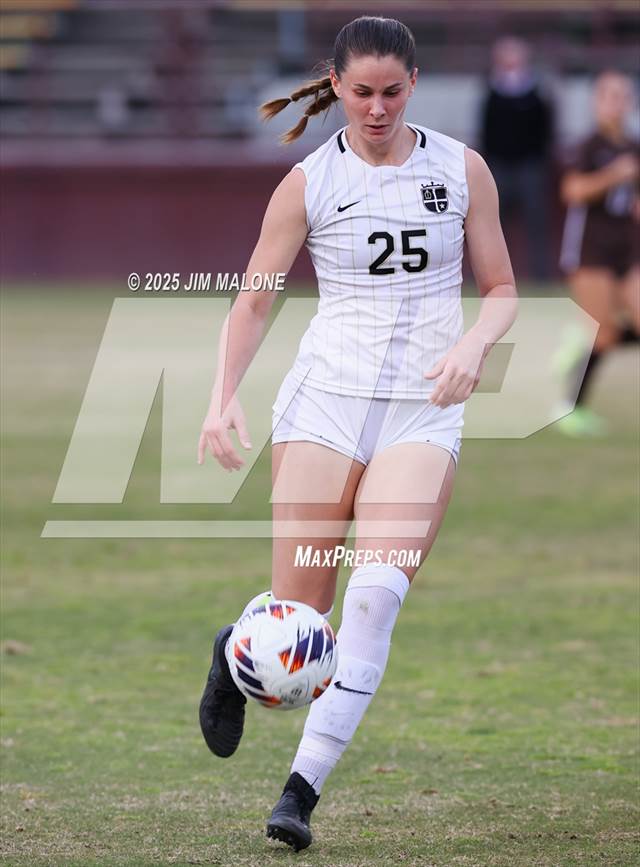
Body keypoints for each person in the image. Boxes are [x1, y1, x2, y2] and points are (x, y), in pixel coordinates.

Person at [196, 16, 517, 852]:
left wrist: (475, 346)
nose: (377, 109)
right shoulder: (309, 182)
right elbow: (255, 299)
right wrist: (221, 397)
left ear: (414, 86)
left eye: (393, 92)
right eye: (362, 92)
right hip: (325, 405)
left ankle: (298, 793)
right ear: (335, 85)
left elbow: (502, 288)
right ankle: (236, 645)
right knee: (301, 616)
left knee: (372, 600)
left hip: (421, 411)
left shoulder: (461, 169)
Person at [557, 70, 639, 436]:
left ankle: (580, 341)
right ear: (596, 102)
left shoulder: (633, 146)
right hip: (590, 251)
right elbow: (573, 191)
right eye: (609, 96)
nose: (616, 103)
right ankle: (569, 408)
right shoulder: (588, 146)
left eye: (623, 96)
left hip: (628, 249)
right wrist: (613, 176)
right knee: (603, 335)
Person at [480, 36, 553, 281]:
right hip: (499, 167)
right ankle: (493, 276)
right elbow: (486, 130)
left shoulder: (536, 91)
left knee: (536, 224)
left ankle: (541, 277)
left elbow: (545, 130)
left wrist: (539, 160)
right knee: (493, 223)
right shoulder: (492, 90)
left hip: (530, 167)